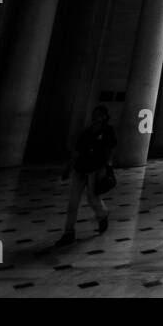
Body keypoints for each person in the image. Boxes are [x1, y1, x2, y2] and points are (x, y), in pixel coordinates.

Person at [55, 105, 116, 247]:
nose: (95, 117)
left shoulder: (108, 131)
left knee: (92, 199)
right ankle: (68, 233)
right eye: (94, 114)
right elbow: (76, 152)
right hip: (80, 169)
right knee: (73, 203)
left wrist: (108, 167)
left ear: (104, 117)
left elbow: (111, 150)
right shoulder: (86, 133)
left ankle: (103, 215)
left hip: (95, 169)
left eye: (98, 115)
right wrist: (68, 168)